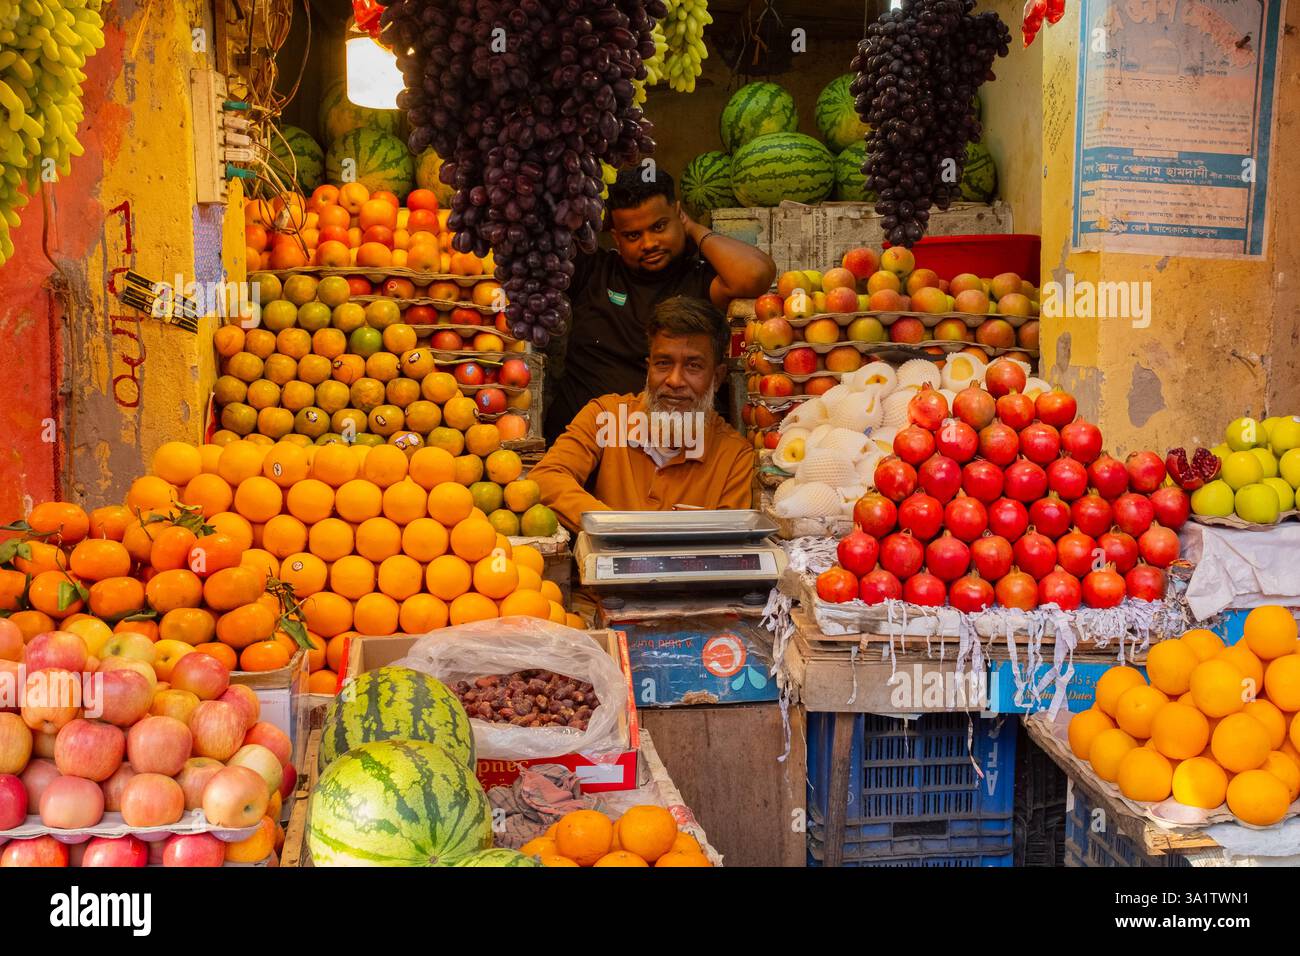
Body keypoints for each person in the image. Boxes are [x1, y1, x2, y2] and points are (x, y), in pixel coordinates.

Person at [543, 167, 776, 443]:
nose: (649, 243)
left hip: (675, 451)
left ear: (679, 214)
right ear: (615, 236)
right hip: (585, 446)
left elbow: (754, 274)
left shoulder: (700, 280)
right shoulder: (593, 271)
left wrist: (693, 228)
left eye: (659, 226)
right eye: (633, 235)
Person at [531, 296, 756, 534]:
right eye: (663, 363)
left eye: (693, 366)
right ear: (649, 368)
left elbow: (728, 543)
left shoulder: (735, 456)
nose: (674, 381)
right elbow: (546, 478)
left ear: (717, 377)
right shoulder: (606, 416)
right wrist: (614, 527)